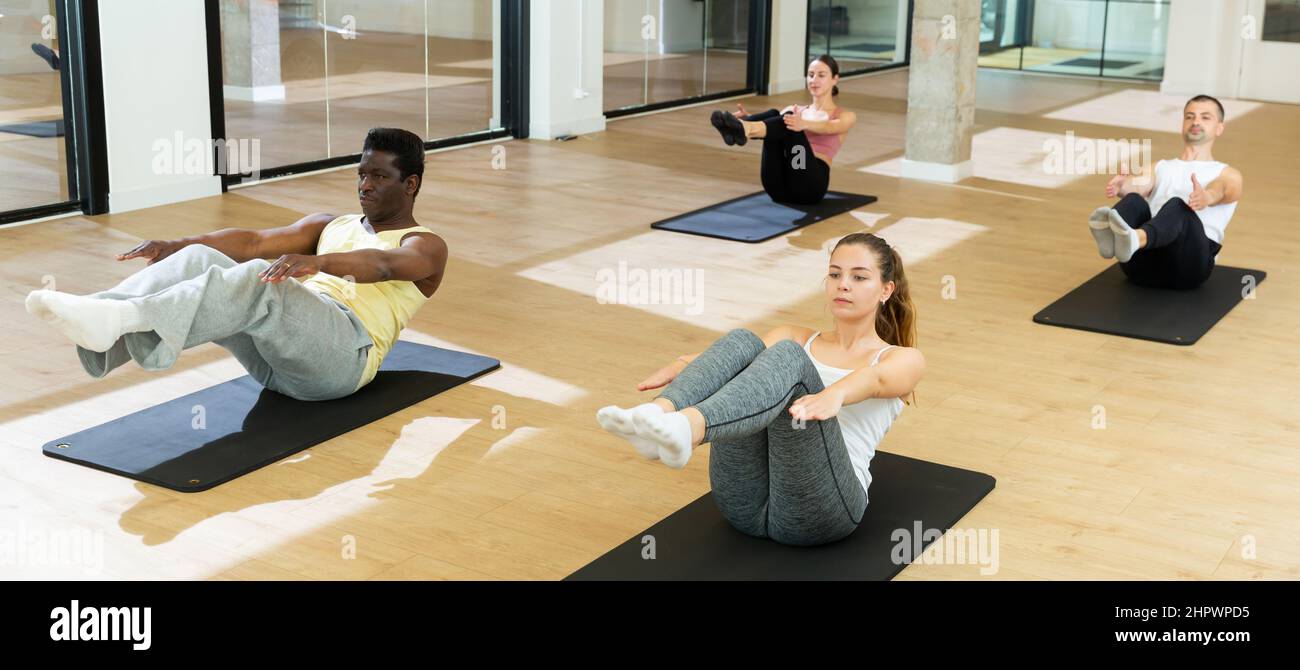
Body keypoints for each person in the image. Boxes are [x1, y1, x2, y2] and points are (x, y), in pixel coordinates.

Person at [25, 128, 448, 401]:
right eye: (361, 174)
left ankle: (121, 316)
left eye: (378, 176)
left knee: (259, 280)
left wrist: (317, 262)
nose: (364, 185)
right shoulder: (330, 224)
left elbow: (384, 265)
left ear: (410, 184)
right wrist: (175, 244)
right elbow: (254, 241)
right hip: (274, 361)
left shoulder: (426, 245)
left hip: (341, 362)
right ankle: (104, 331)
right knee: (201, 259)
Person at [596, 233, 925, 546]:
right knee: (745, 341)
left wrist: (834, 394)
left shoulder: (902, 358)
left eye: (859, 277)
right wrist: (683, 365)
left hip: (822, 510)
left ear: (886, 290)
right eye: (835, 274)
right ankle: (659, 415)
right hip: (741, 503)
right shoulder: (797, 335)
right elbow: (736, 358)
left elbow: (876, 379)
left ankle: (691, 428)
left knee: (787, 357)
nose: (843, 284)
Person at [1088, 94, 1244, 289]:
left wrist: (1206, 197)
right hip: (1140, 267)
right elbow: (1138, 186)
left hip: (1188, 266)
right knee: (1134, 199)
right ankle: (1114, 239)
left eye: (1205, 117)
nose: (1195, 121)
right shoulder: (1160, 166)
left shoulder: (1228, 173)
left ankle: (1134, 238)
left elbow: (1221, 190)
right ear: (1182, 124)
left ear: (1219, 127)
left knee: (1177, 206)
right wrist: (1123, 186)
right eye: (1189, 116)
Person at [708, 54, 857, 205]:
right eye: (811, 75)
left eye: (821, 75)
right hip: (777, 187)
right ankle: (739, 127)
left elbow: (829, 127)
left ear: (835, 79)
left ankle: (744, 128)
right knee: (775, 115)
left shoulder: (845, 115)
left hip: (808, 186)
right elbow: (772, 126)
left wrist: (802, 124)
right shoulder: (795, 110)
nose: (814, 80)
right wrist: (748, 117)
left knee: (789, 121)